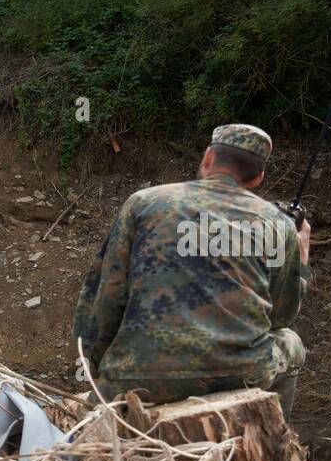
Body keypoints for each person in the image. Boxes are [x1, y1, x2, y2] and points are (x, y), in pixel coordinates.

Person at [72, 123, 309, 419]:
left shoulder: (144, 203)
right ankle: (276, 444)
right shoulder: (278, 224)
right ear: (258, 178)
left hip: (138, 378)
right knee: (291, 344)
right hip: (239, 374)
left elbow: (106, 295)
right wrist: (301, 257)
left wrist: (95, 365)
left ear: (208, 158)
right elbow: (281, 317)